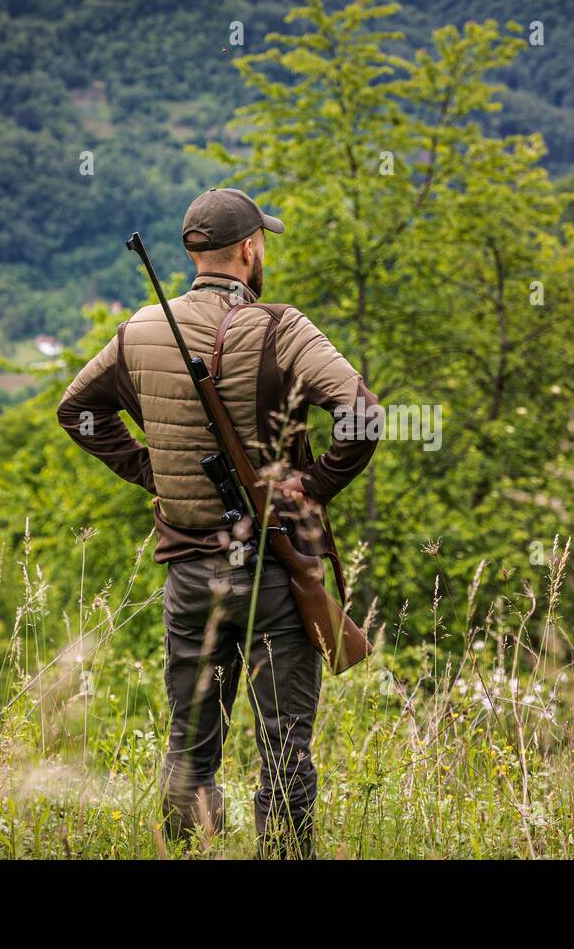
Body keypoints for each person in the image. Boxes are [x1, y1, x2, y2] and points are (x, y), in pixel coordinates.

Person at [57, 188, 378, 857]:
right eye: (262, 241)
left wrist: (153, 471)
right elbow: (364, 416)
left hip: (188, 578)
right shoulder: (282, 327)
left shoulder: (140, 329)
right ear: (247, 249)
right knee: (285, 751)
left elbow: (77, 411)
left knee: (189, 751)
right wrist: (310, 488)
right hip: (271, 575)